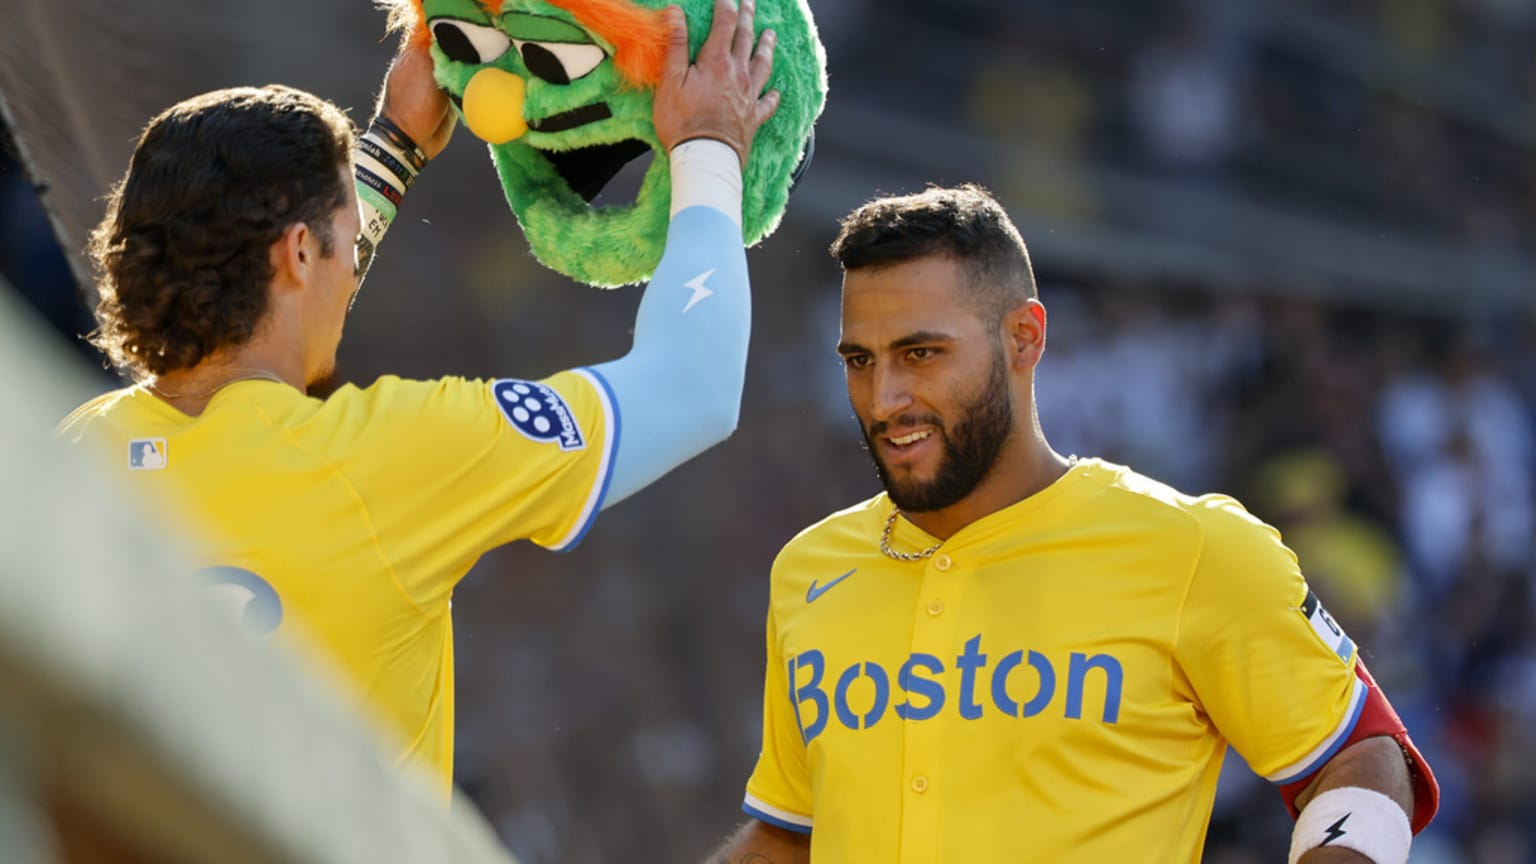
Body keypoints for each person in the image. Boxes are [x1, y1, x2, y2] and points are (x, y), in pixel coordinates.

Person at [57, 0, 778, 795]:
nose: (348, 265)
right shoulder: (392, 456)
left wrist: (392, 150)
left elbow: (278, 308)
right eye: (342, 237)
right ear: (299, 253)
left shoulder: (70, 455)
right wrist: (708, 148)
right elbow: (692, 386)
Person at [707, 185, 1439, 863]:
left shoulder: (1191, 549)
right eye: (859, 360)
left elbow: (1362, 753)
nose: (884, 397)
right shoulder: (810, 570)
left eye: (920, 353)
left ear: (1024, 339)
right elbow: (792, 836)